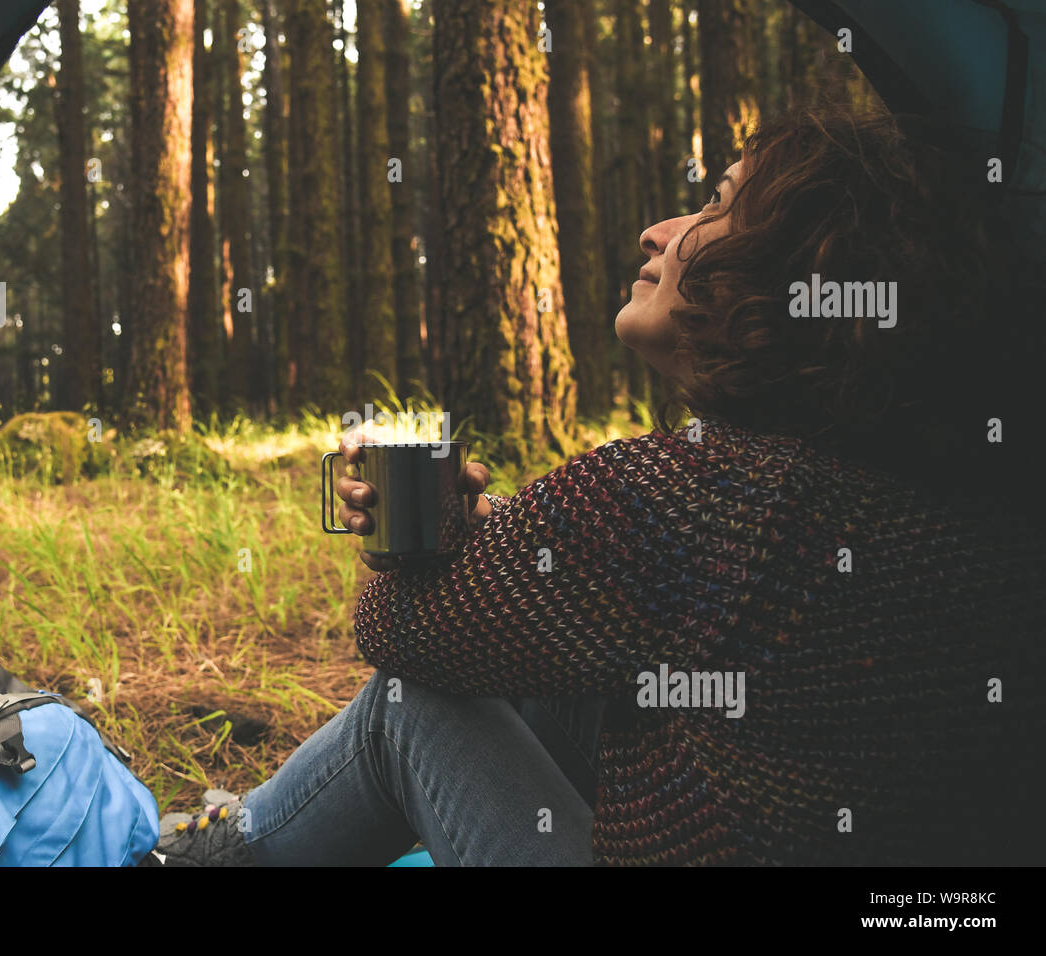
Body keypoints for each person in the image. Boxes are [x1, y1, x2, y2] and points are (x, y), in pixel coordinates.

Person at [147, 106, 1046, 866]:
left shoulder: (699, 498)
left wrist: (413, 541)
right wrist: (494, 542)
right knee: (571, 674)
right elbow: (639, 610)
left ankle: (227, 851)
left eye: (715, 207)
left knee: (403, 704)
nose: (660, 231)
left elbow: (399, 634)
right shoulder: (977, 494)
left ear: (802, 266)